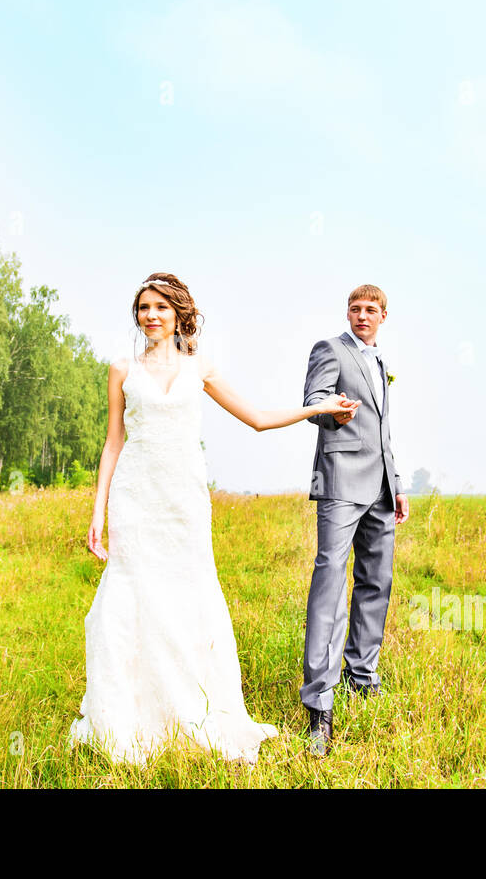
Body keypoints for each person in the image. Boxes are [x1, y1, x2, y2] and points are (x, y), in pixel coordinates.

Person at [71, 272, 358, 765]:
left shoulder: (199, 365)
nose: (151, 315)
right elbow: (113, 441)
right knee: (132, 594)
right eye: (143, 308)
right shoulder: (122, 368)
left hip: (183, 500)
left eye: (161, 306)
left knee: (185, 595)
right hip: (135, 498)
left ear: (179, 313)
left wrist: (322, 408)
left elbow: (258, 418)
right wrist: (98, 510)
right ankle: (129, 715)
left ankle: (192, 709)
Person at [300, 283, 410, 756]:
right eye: (354, 308)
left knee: (376, 584)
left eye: (370, 309)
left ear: (385, 315)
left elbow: (384, 430)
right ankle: (319, 708)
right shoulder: (330, 348)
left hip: (381, 487)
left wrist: (398, 483)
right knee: (330, 583)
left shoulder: (381, 361)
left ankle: (361, 678)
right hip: (341, 482)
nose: (361, 315)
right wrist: (335, 414)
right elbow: (314, 403)